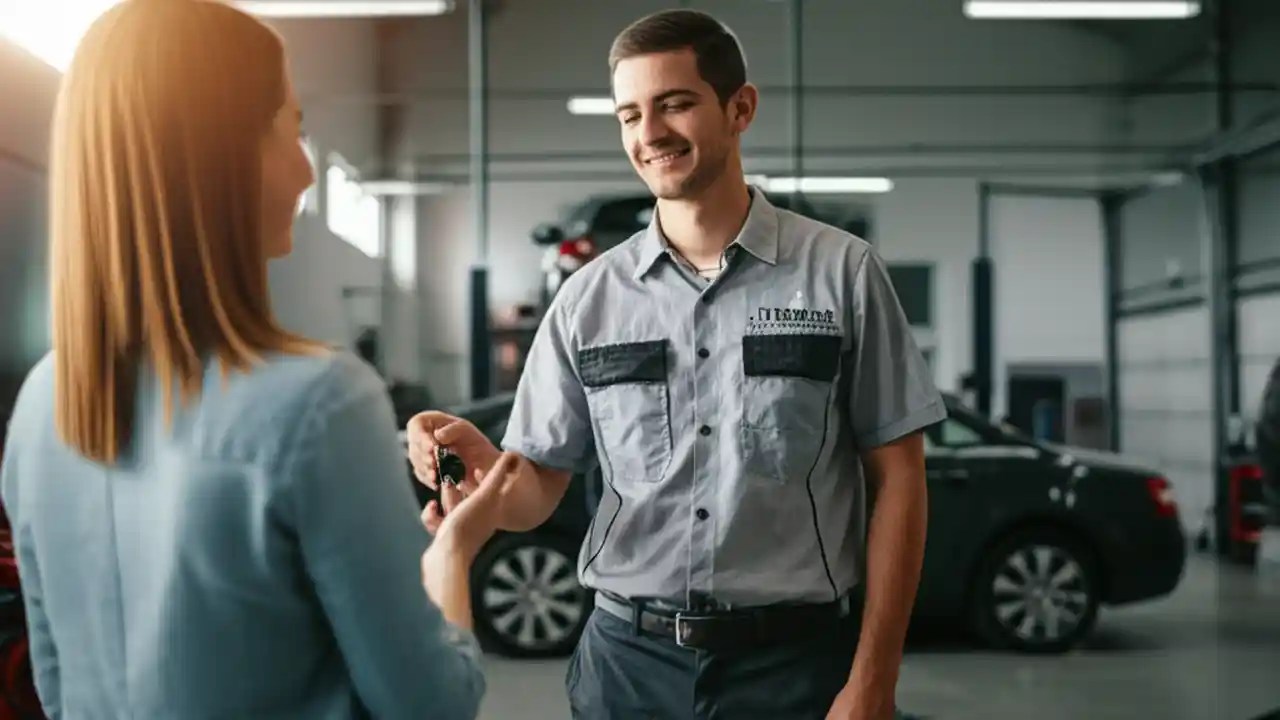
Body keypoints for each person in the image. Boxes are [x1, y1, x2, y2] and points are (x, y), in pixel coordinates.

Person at [408, 8, 945, 719]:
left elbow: (900, 480)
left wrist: (874, 679)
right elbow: (536, 491)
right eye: (630, 115)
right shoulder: (588, 299)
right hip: (627, 670)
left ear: (740, 108)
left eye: (675, 104)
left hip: (796, 669)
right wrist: (485, 475)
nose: (650, 133)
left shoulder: (842, 275)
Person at [0, 2, 500, 718]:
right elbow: (432, 705)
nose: (305, 172)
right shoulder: (320, 401)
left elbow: (53, 685)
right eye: (292, 131)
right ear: (227, 155)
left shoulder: (42, 401)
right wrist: (450, 552)